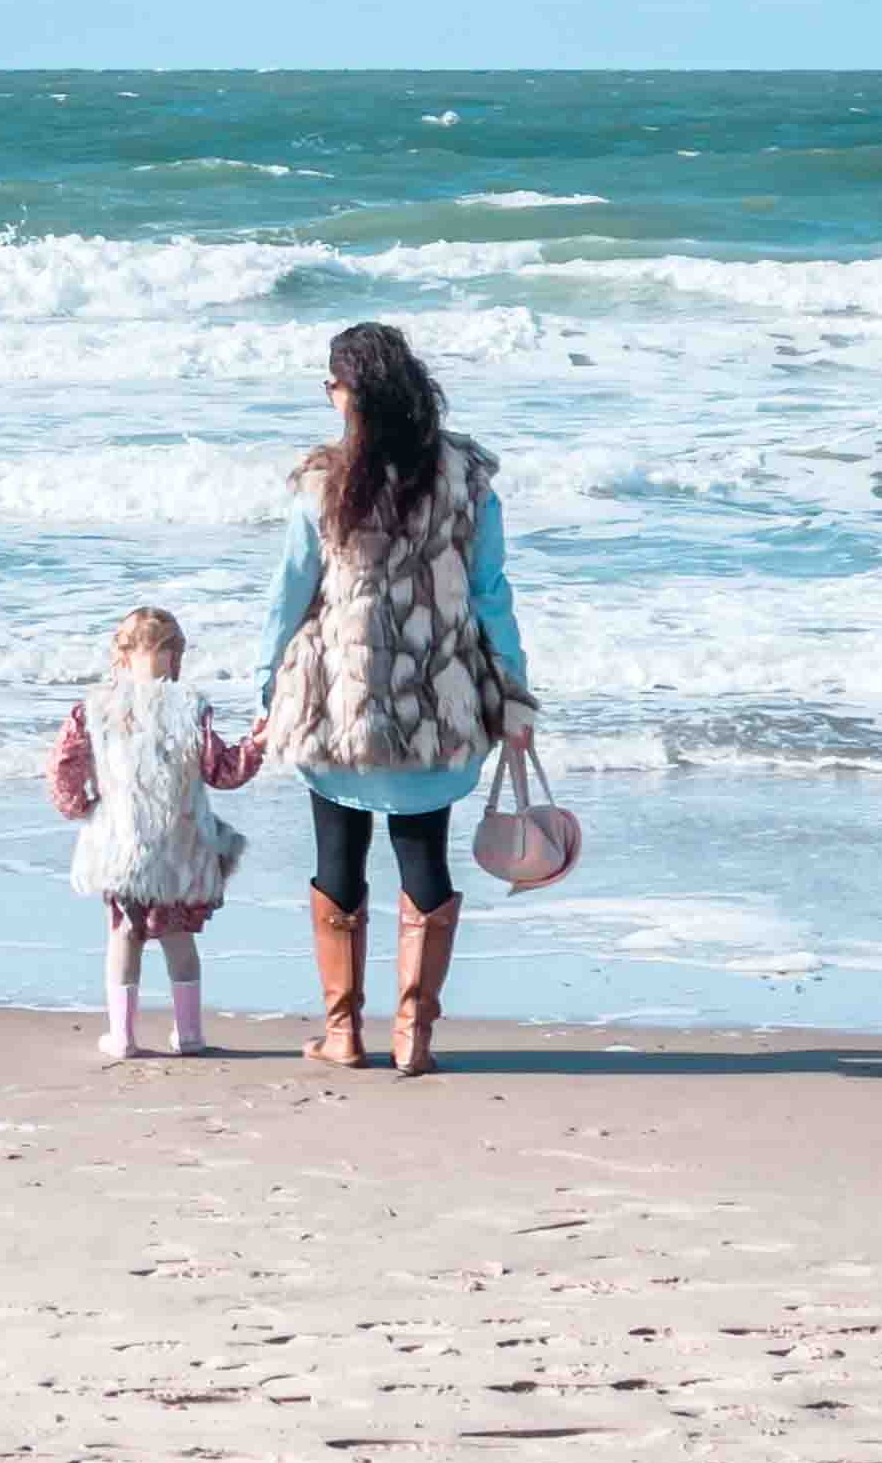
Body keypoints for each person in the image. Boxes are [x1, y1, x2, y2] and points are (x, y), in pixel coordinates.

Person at [252, 322, 538, 1078]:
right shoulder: (464, 479)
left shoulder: (323, 481)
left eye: (333, 385)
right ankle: (414, 1036)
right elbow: (491, 593)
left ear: (355, 394)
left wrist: (266, 681)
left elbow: (289, 594)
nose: (329, 396)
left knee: (337, 857)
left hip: (338, 700)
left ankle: (342, 1033)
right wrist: (512, 688)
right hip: (430, 701)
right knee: (423, 855)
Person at [48, 605, 258, 1059]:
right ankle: (189, 1034)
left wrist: (79, 806)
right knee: (178, 939)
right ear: (176, 657)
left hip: (123, 846)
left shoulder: (94, 709)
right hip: (179, 849)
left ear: (121, 656)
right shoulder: (190, 709)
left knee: (124, 935)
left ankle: (122, 1037)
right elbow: (223, 772)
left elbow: (64, 765)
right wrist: (256, 743)